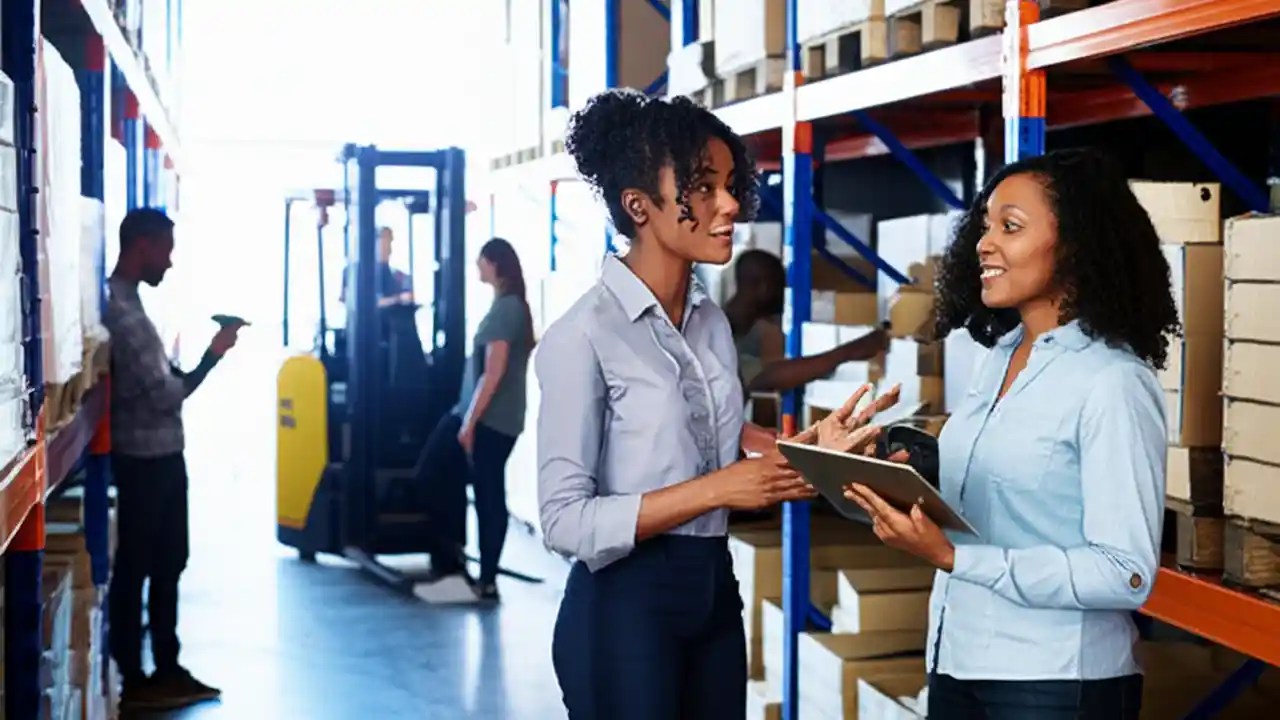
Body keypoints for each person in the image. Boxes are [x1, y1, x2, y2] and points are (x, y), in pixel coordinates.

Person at [534, 89, 890, 719]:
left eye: (730, 185)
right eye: (703, 188)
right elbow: (564, 522)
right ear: (638, 205)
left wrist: (805, 452)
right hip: (623, 609)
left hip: (711, 593)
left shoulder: (710, 325)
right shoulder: (583, 335)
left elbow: (715, 430)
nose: (729, 205)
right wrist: (722, 489)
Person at [842, 148, 1177, 719]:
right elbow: (997, 490)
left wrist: (954, 558)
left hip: (1053, 683)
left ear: (1075, 246)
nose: (983, 242)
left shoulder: (1111, 381)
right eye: (986, 225)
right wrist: (894, 470)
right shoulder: (997, 357)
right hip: (957, 658)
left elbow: (1126, 571)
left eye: (1011, 227)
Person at [105, 208, 243, 711]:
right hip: (147, 460)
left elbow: (159, 380)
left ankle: (166, 668)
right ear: (142, 245)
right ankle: (140, 679)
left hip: (158, 455)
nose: (169, 261)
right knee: (143, 566)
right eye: (165, 249)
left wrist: (199, 361)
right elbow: (167, 395)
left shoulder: (131, 304)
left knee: (167, 562)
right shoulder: (122, 312)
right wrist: (213, 355)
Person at [414, 237, 535, 601]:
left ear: (495, 264)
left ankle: (482, 577)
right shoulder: (507, 306)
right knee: (461, 484)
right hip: (482, 417)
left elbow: (493, 373)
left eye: (481, 261)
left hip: (489, 422)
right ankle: (461, 566)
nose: (477, 267)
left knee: (484, 496)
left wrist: (468, 423)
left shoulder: (507, 309)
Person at [725, 248, 888, 393]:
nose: (784, 297)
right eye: (781, 287)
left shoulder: (737, 328)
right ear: (764, 288)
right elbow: (764, 377)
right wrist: (850, 351)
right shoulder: (720, 333)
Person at [339, 225, 413, 307]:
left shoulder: (400, 277)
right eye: (383, 240)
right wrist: (396, 299)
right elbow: (354, 301)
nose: (388, 247)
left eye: (389, 242)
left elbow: (408, 297)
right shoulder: (352, 273)